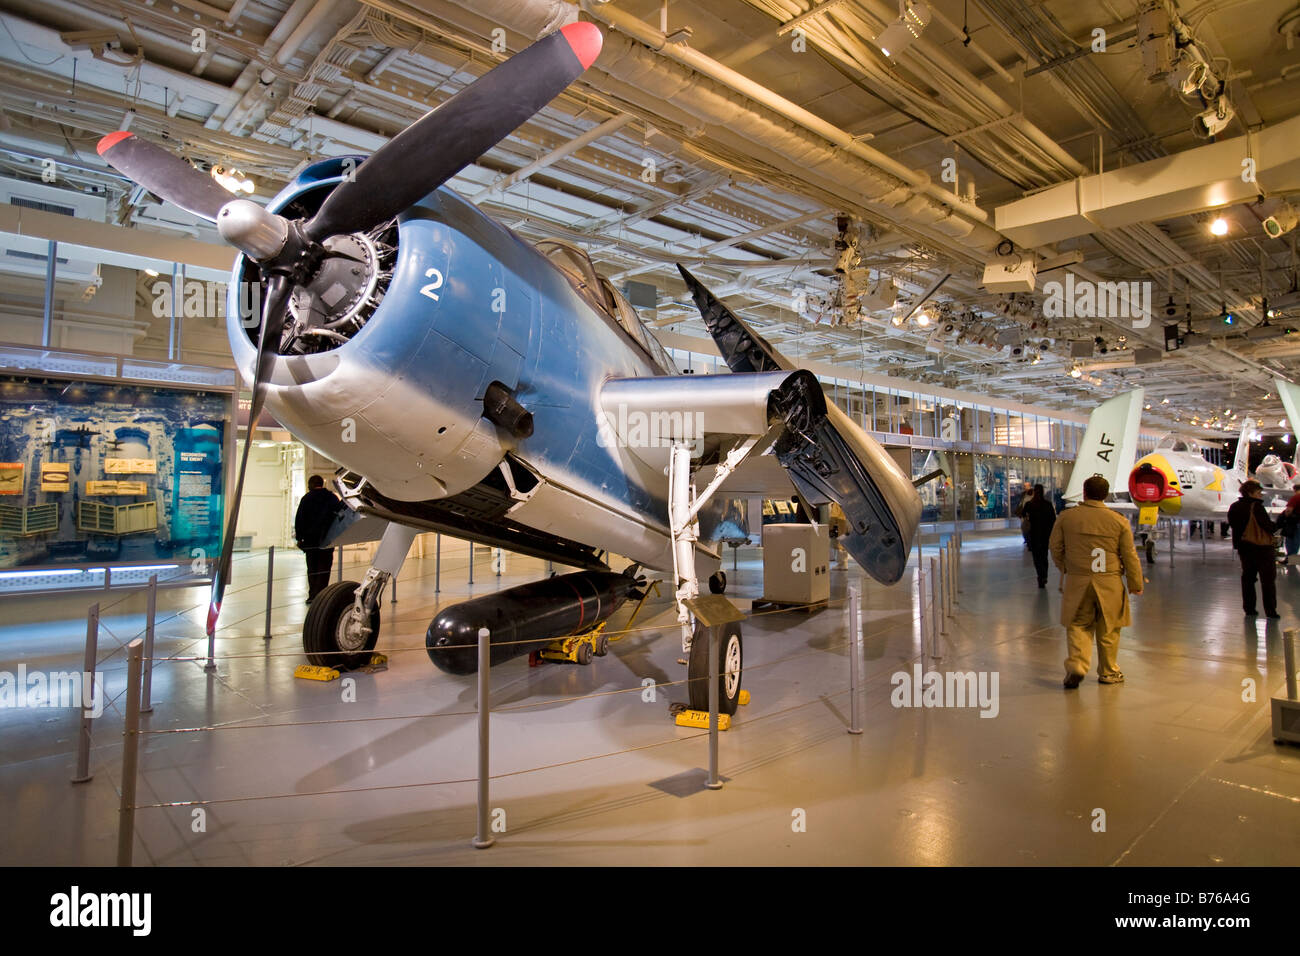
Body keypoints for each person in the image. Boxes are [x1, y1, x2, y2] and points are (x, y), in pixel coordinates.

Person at [1048, 475, 1143, 688]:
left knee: (1078, 623)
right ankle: (1109, 672)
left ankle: (1078, 665)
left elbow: (1055, 547)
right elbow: (1129, 555)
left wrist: (1066, 568)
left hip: (1078, 581)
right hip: (1109, 582)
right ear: (1106, 494)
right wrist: (1136, 583)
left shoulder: (1067, 517)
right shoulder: (1119, 520)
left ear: (1084, 492)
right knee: (1109, 627)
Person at [1226, 480, 1279, 618]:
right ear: (1251, 492)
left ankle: (1249, 608)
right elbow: (1269, 527)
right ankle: (1270, 611)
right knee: (1267, 581)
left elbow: (1233, 525)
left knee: (1248, 579)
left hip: (1244, 548)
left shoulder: (1234, 507)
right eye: (1258, 493)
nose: (1260, 495)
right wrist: (1281, 521)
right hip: (1262, 549)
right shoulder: (1256, 507)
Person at [295, 474, 344, 604]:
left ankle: (312, 595)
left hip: (310, 541)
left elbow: (300, 519)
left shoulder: (306, 499)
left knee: (312, 569)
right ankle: (322, 596)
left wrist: (300, 538)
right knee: (324, 568)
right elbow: (339, 517)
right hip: (327, 540)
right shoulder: (332, 498)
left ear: (310, 484)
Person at [1022, 483, 1056, 588]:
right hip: (1045, 534)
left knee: (1036, 557)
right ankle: (1044, 575)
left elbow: (1023, 514)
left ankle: (1040, 576)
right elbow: (1053, 520)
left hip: (1033, 534)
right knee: (1044, 555)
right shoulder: (1048, 504)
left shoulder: (1029, 504)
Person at [1280, 482, 1300, 564]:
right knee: (1297, 542)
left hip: (1294, 523)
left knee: (1290, 542)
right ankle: (1293, 561)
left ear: (1295, 490)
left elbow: (1288, 510)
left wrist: (1284, 518)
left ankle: (1290, 560)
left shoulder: (1296, 497)